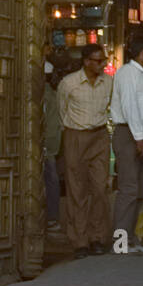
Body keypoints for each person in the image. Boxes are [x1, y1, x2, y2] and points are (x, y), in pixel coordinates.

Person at [57, 43, 112, 259]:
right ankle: (80, 240)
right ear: (86, 61)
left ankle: (97, 237)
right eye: (98, 61)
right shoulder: (68, 83)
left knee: (100, 188)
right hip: (76, 135)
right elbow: (62, 111)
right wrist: (71, 134)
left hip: (99, 136)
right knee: (77, 190)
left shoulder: (108, 82)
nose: (102, 64)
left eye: (103, 60)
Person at [110, 34, 143, 255]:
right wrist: (139, 137)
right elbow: (130, 107)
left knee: (140, 189)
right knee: (128, 189)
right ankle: (120, 242)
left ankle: (132, 237)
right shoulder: (128, 74)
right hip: (130, 134)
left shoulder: (142, 75)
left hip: (141, 134)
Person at [43, 61, 63, 233]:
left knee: (50, 180)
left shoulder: (46, 96)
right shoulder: (53, 95)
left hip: (45, 145)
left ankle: (51, 217)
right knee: (51, 180)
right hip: (51, 144)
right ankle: (51, 218)